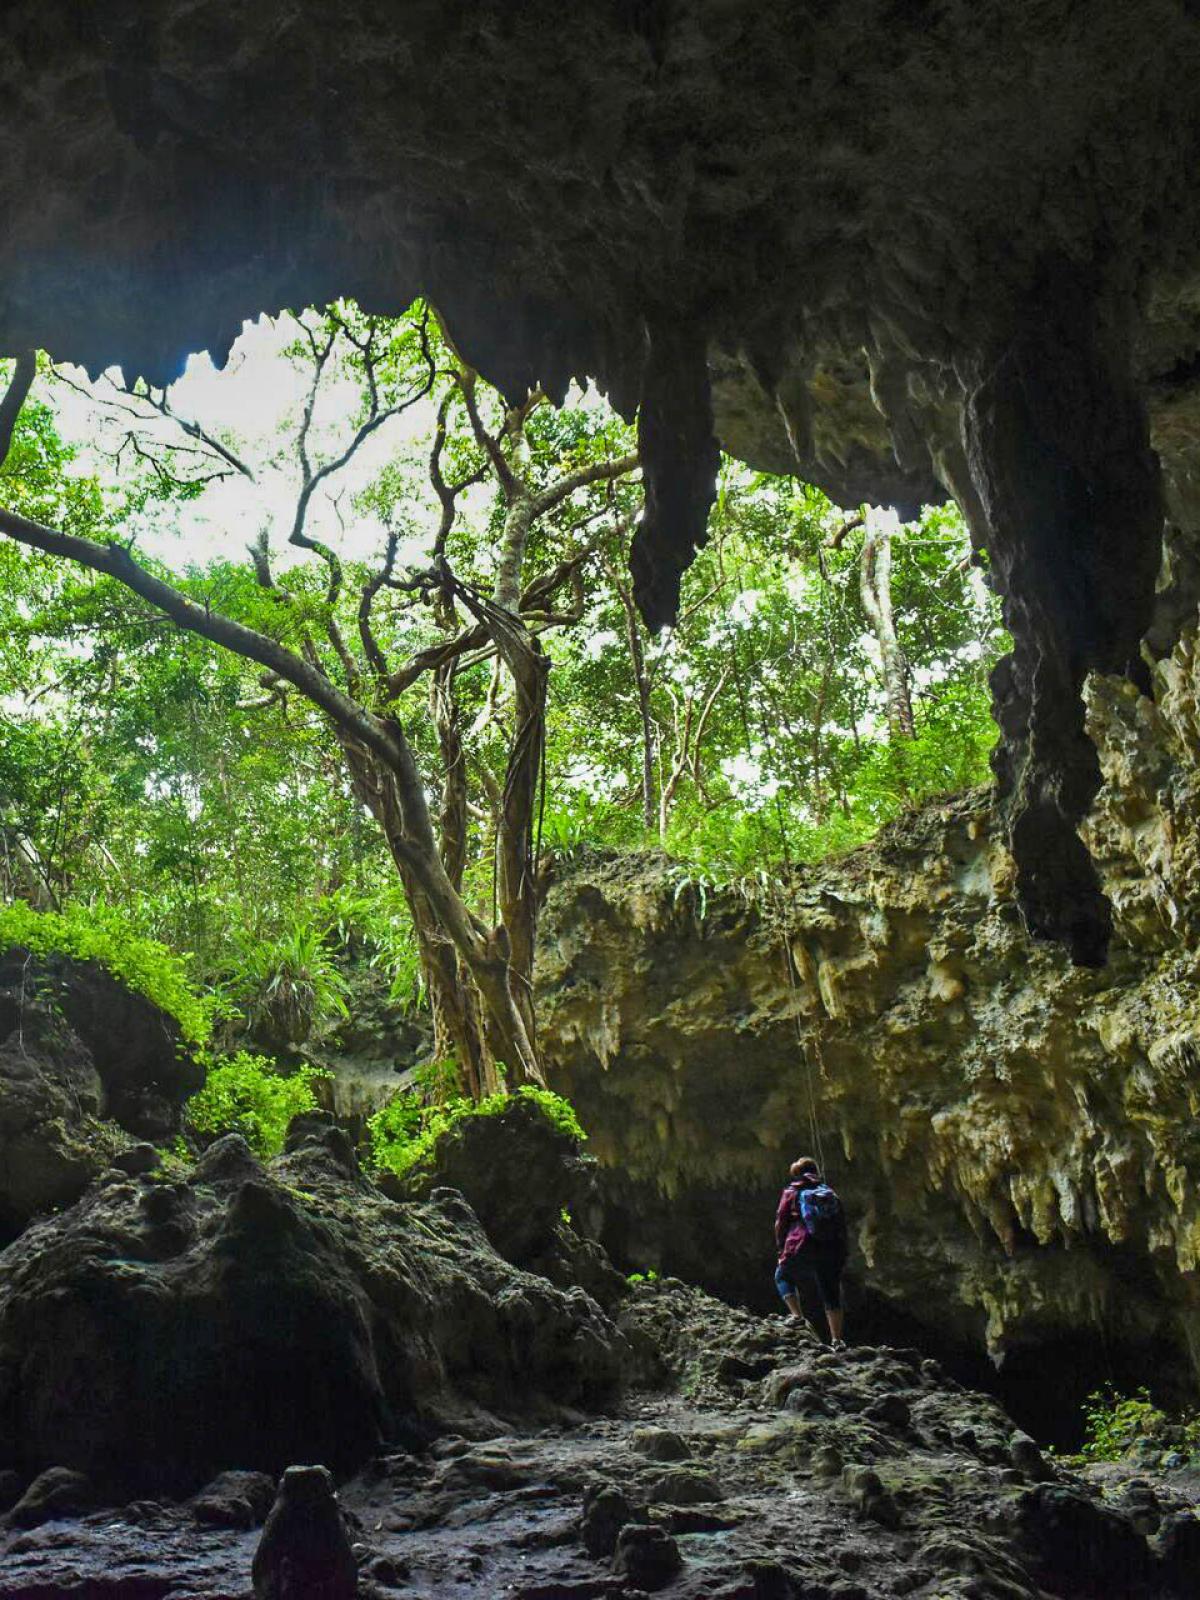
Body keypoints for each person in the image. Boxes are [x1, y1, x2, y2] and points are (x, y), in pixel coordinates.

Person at [774, 1156, 848, 1349]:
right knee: (830, 1291)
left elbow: (781, 1222)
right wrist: (842, 1250)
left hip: (801, 1246)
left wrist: (782, 1247)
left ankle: (797, 1317)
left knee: (782, 1275)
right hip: (831, 1248)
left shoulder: (792, 1192)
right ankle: (837, 1341)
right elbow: (840, 1222)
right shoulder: (829, 1192)